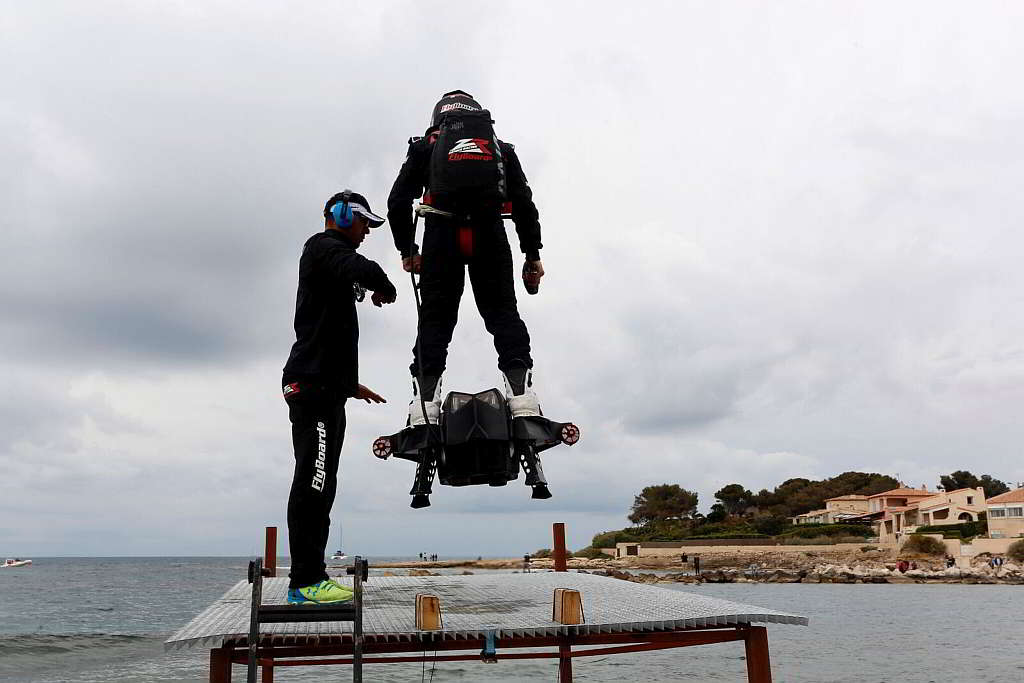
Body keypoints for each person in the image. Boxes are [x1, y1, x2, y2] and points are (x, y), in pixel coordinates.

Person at [387, 90, 545, 425]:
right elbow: (525, 206)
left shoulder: (425, 148)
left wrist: (408, 251)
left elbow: (396, 202)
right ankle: (522, 399)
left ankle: (425, 405)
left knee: (435, 321)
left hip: (441, 235)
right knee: (503, 314)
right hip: (490, 234)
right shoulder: (501, 150)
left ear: (438, 119)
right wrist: (532, 255)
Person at [281, 190, 397, 604]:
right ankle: (305, 582)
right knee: (312, 481)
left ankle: (313, 576)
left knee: (323, 483)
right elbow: (361, 267)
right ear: (342, 215)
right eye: (364, 221)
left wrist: (350, 385)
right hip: (312, 386)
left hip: (327, 387)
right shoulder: (323, 246)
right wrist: (385, 286)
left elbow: (327, 333)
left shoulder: (329, 261)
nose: (367, 230)